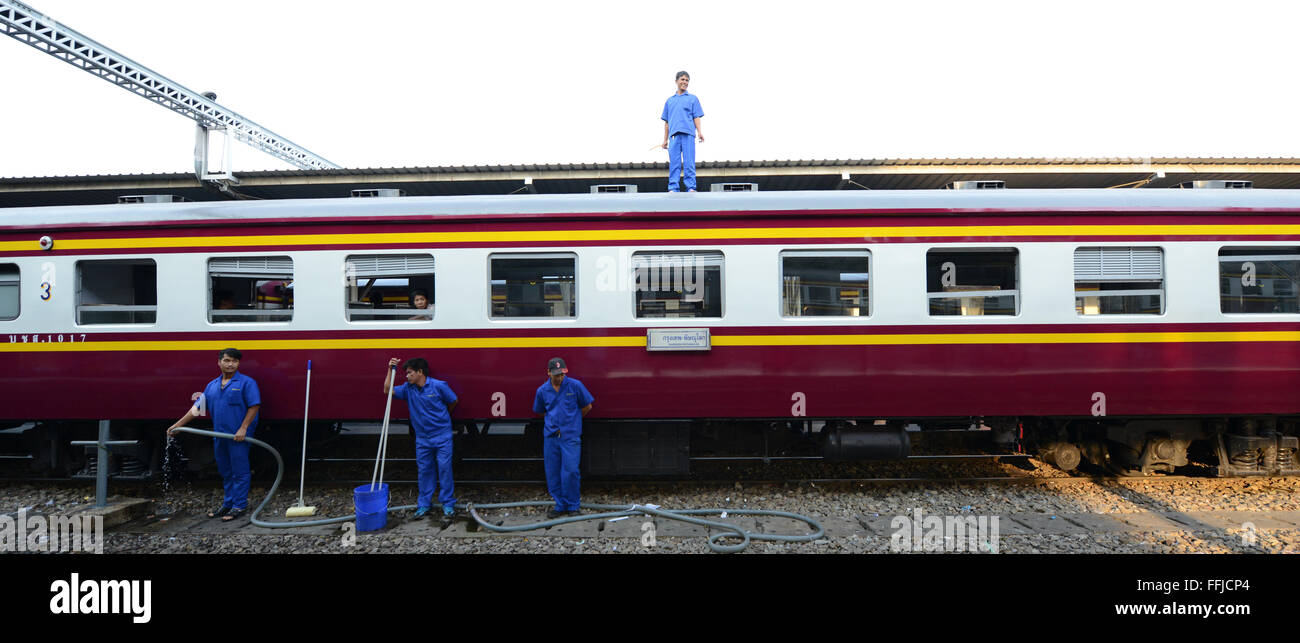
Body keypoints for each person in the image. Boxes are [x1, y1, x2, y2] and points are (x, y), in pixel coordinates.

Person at [166, 348, 261, 522]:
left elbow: (254, 406)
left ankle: (239, 506)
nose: (230, 364)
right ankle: (228, 504)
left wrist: (243, 428)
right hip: (220, 436)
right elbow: (197, 409)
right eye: (227, 360)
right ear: (219, 362)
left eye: (234, 361)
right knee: (226, 471)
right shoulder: (212, 386)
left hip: (238, 437)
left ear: (238, 363)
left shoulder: (247, 383)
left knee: (240, 471)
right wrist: (178, 425)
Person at [384, 357, 459, 523]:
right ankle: (424, 504)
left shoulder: (439, 386)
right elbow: (387, 390)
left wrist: (443, 417)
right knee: (425, 471)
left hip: (442, 436)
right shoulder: (408, 389)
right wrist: (390, 369)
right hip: (423, 438)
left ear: (420, 372)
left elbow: (453, 401)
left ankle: (448, 503)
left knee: (444, 469)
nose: (407, 376)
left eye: (410, 373)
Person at [532, 357, 594, 518]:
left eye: (562, 374)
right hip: (551, 437)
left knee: (571, 471)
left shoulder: (575, 385)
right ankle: (560, 505)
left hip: (570, 436)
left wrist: (574, 420)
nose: (559, 377)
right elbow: (539, 410)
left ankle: (573, 505)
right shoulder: (542, 391)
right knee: (553, 472)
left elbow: (587, 406)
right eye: (556, 375)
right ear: (548, 373)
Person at [660, 71, 705, 193]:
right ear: (676, 81)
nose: (684, 82)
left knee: (689, 162)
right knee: (674, 163)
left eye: (687, 80)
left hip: (688, 134)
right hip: (674, 136)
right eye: (682, 79)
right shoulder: (670, 101)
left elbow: (696, 117)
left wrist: (700, 132)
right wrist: (664, 140)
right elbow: (667, 122)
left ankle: (690, 187)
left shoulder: (692, 99)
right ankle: (673, 187)